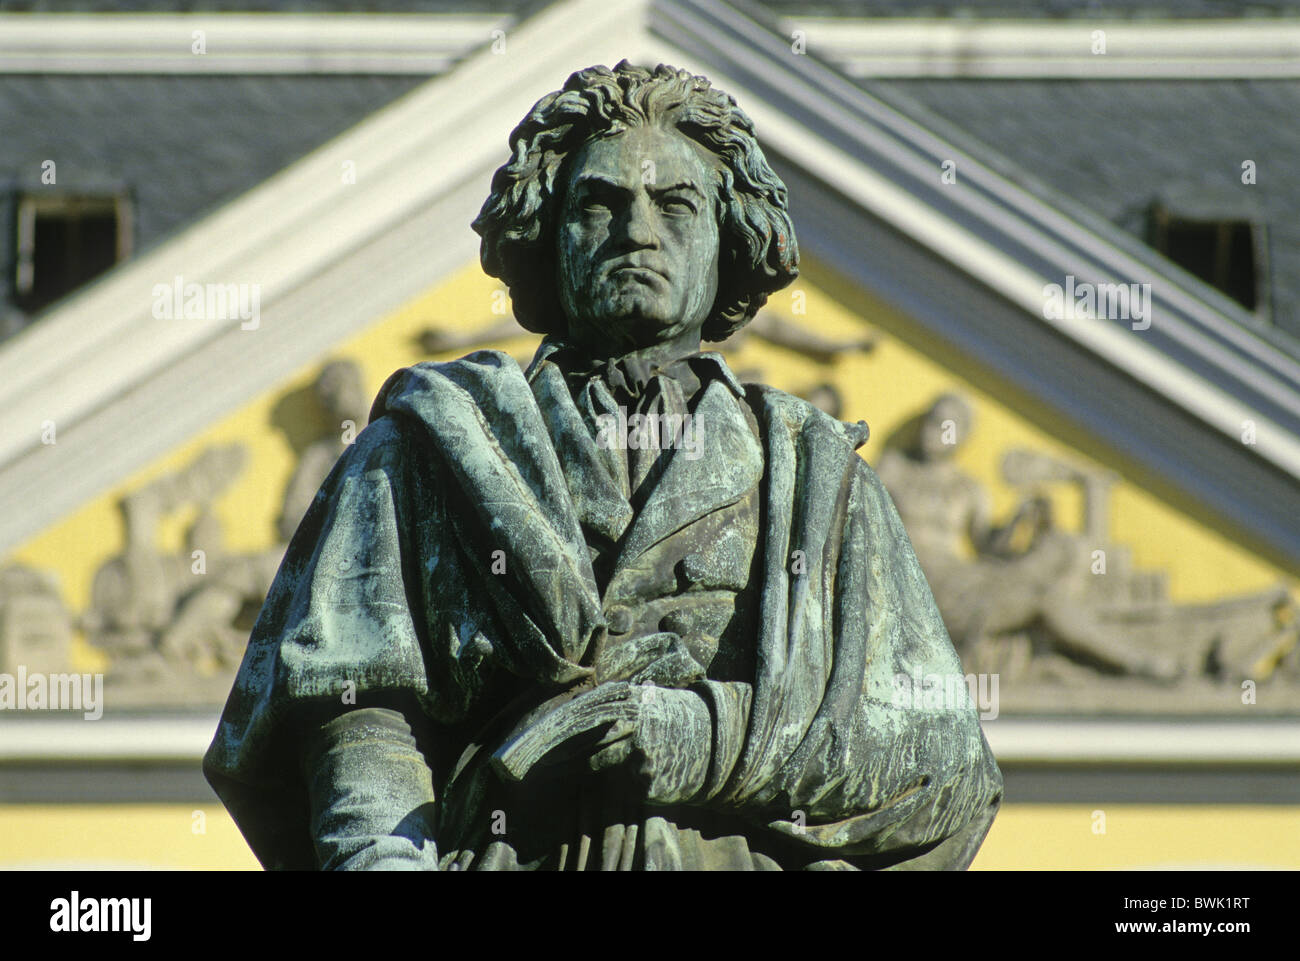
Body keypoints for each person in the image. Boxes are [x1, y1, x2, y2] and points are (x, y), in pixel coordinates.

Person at [204, 61, 1003, 871]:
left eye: (675, 203)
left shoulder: (817, 481)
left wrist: (713, 741)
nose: (637, 230)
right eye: (599, 203)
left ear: (730, 238)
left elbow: (943, 769)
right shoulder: (428, 450)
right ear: (546, 236)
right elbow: (360, 713)